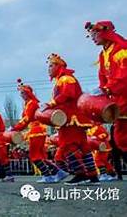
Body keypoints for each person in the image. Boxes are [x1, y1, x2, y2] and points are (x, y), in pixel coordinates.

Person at [44, 53, 98, 185]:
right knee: (83, 146)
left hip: (70, 118)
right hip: (74, 118)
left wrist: (50, 104)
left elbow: (67, 94)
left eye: (51, 65)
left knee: (68, 146)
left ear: (58, 65)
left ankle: (81, 174)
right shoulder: (63, 79)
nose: (49, 69)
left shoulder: (66, 78)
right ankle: (92, 175)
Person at [85, 21, 127, 176]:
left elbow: (124, 77)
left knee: (121, 138)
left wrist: (106, 88)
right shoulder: (103, 54)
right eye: (91, 35)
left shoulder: (121, 50)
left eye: (95, 34)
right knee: (120, 139)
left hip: (124, 96)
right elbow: (103, 76)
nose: (92, 37)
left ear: (105, 32)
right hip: (119, 99)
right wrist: (102, 90)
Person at [12, 79, 65, 183]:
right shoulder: (30, 103)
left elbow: (27, 119)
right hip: (38, 131)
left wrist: (15, 128)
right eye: (21, 93)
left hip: (36, 131)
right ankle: (58, 172)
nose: (22, 95)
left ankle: (48, 176)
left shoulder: (31, 103)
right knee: (41, 156)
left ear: (28, 93)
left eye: (23, 93)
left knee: (34, 155)